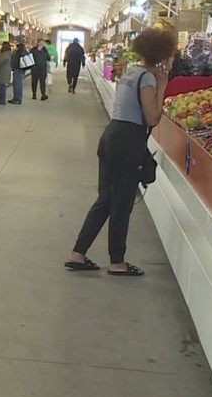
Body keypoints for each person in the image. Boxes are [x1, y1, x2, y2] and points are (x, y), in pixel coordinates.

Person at [66, 28, 175, 278]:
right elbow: (152, 118)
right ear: (162, 57)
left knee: (105, 199)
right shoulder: (147, 79)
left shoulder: (130, 72)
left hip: (111, 137)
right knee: (122, 203)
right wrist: (163, 85)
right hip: (128, 142)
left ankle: (78, 253)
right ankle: (117, 262)